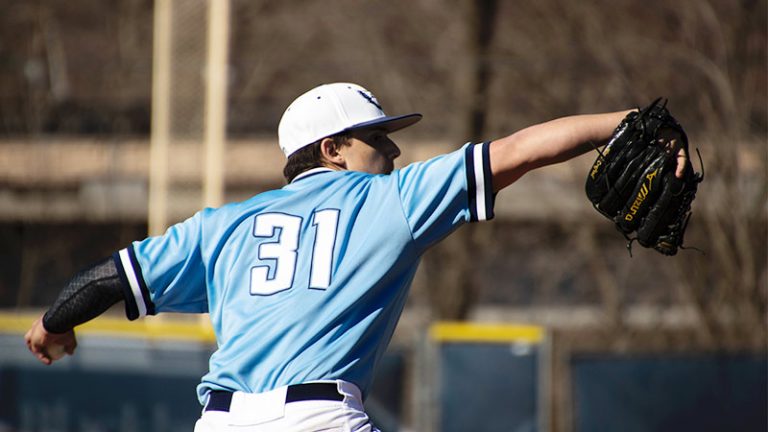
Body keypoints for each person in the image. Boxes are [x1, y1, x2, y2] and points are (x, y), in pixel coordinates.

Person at [24, 82, 687, 431]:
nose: (393, 152)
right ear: (332, 148)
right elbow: (519, 149)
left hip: (223, 423)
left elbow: (107, 278)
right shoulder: (390, 202)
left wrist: (53, 326)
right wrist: (625, 120)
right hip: (318, 420)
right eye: (378, 139)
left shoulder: (220, 226)